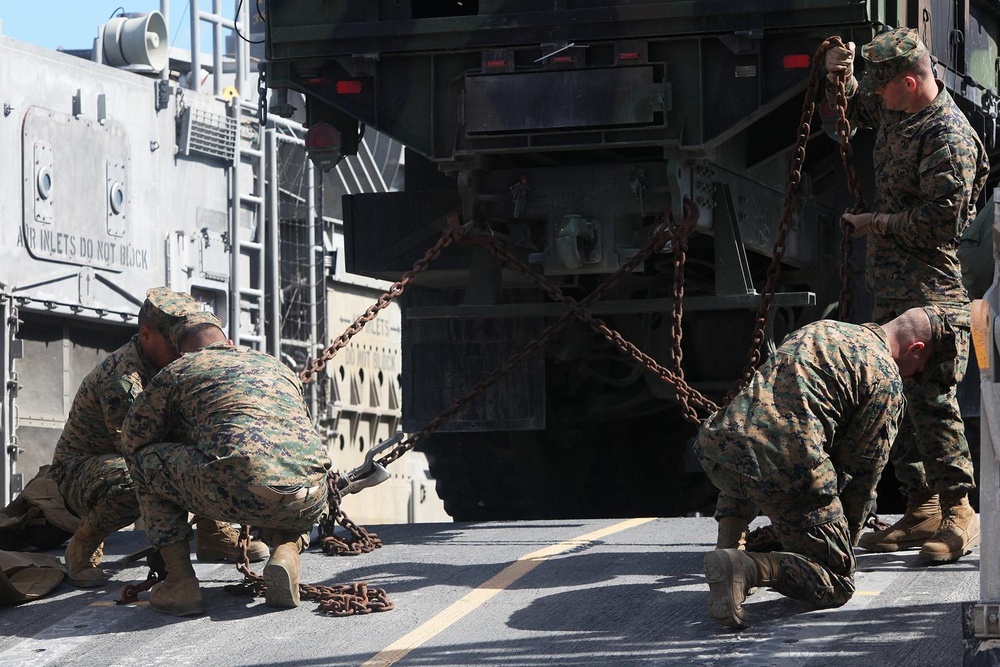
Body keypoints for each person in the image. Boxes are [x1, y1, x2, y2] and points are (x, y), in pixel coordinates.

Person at [823, 27, 989, 562]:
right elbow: (856, 111)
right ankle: (921, 508)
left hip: (932, 291)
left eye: (883, 84)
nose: (876, 95)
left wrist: (877, 223)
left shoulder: (949, 138)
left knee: (934, 399)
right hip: (893, 287)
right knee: (893, 397)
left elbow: (941, 224)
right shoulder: (898, 109)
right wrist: (839, 74)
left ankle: (960, 511)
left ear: (912, 82)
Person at [696, 307, 956, 630]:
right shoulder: (886, 378)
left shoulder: (823, 330)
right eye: (919, 372)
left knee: (754, 438)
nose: (913, 378)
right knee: (837, 580)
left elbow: (762, 410)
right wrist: (839, 546)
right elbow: (861, 475)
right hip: (786, 470)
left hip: (717, 449)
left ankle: (728, 543)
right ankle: (745, 567)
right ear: (917, 350)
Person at [49, 287, 269, 588]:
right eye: (174, 340)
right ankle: (84, 543)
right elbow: (137, 451)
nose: (183, 348)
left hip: (132, 457)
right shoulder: (123, 379)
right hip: (82, 472)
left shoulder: (177, 366)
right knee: (140, 475)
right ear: (146, 335)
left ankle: (213, 534)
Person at [120, 315, 332, 616]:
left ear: (184, 351)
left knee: (144, 461)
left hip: (239, 490)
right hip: (311, 495)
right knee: (290, 468)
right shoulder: (278, 367)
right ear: (228, 343)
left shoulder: (179, 369)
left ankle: (181, 582)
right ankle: (285, 552)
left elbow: (133, 438)